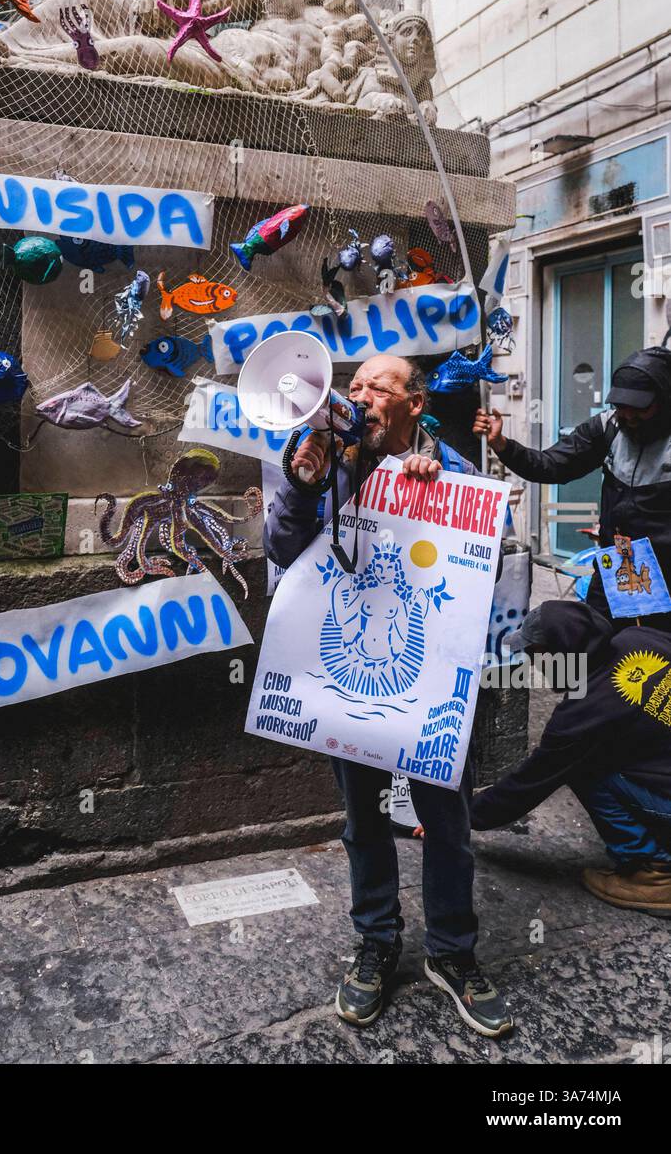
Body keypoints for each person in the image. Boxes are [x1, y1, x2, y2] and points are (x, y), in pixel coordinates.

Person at [264, 353, 513, 1039]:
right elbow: (282, 548)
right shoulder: (327, 460)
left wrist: (439, 499)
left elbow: (497, 546)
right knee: (365, 820)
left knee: (448, 823)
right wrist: (300, 485)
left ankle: (452, 955)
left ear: (415, 403)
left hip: (431, 686)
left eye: (378, 387)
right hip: (352, 684)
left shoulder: (455, 469)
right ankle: (377, 944)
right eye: (354, 386)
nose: (360, 396)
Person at [470, 602, 671, 914]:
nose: (534, 664)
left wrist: (458, 817)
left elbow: (528, 784)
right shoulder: (640, 639)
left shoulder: (580, 717)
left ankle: (653, 872)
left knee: (584, 767)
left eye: (536, 655)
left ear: (559, 655)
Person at [473, 346, 671, 631]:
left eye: (639, 407)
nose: (628, 415)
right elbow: (550, 465)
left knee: (656, 659)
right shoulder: (609, 426)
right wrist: (502, 444)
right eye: (621, 405)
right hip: (616, 566)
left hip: (665, 575)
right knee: (600, 649)